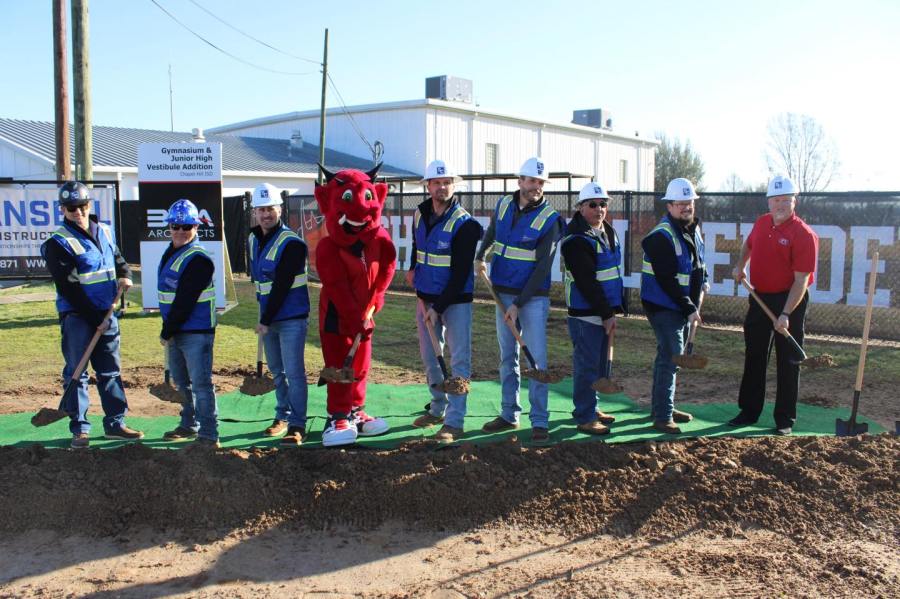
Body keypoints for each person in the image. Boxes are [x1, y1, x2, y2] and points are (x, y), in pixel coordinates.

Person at [41, 181, 144, 449]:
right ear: (63, 209)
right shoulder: (58, 243)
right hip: (77, 316)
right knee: (77, 372)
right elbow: (69, 287)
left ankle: (115, 423)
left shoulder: (106, 231)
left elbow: (119, 260)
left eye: (82, 205)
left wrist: (125, 276)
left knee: (110, 371)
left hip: (106, 312)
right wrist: (93, 317)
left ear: (90, 205)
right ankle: (80, 429)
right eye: (72, 207)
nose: (78, 211)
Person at [475, 157, 563, 444]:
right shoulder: (502, 205)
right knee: (507, 357)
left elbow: (541, 269)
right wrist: (480, 255)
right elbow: (492, 233)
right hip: (501, 291)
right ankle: (509, 414)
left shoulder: (550, 219)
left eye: (540, 182)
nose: (536, 186)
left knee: (537, 360)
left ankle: (539, 421)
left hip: (532, 298)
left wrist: (518, 303)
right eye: (532, 180)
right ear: (520, 181)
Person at [729, 175, 818, 435]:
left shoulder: (803, 234)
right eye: (776, 200)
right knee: (754, 354)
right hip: (760, 297)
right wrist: (740, 265)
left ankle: (784, 419)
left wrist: (786, 314)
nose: (780, 205)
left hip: (790, 299)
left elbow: (801, 281)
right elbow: (748, 245)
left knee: (787, 359)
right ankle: (749, 411)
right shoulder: (761, 222)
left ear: (794, 202)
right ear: (769, 202)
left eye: (785, 200)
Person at [407, 160, 483, 443]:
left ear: (453, 186)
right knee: (430, 359)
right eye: (437, 183)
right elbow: (418, 245)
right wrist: (414, 269)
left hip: (455, 302)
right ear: (428, 186)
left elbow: (461, 272)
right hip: (425, 298)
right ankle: (437, 408)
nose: (442, 187)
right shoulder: (420, 213)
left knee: (458, 360)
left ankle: (455, 421)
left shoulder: (466, 224)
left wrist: (437, 309)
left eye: (447, 182)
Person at [640, 177, 708, 434]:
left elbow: (698, 263)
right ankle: (662, 415)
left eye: (689, 202)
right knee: (672, 356)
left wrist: (704, 281)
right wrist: (690, 307)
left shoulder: (692, 229)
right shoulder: (661, 237)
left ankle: (662, 407)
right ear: (669, 206)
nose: (686, 207)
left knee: (668, 356)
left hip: (680, 304)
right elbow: (667, 280)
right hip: (662, 304)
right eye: (680, 203)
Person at [248, 183, 310, 446]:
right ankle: (282, 415)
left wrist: (265, 319)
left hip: (291, 317)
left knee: (294, 371)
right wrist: (262, 309)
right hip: (269, 315)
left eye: (270, 209)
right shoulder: (253, 239)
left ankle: (297, 424)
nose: (266, 215)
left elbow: (283, 284)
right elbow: (259, 278)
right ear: (254, 212)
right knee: (277, 370)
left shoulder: (292, 243)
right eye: (261, 209)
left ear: (280, 209)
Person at [560, 182, 624, 435]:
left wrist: (611, 310)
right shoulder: (576, 240)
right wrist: (606, 313)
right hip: (586, 313)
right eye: (593, 204)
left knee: (596, 365)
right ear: (580, 207)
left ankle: (590, 407)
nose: (600, 209)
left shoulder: (607, 232)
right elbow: (587, 282)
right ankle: (585, 416)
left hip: (602, 309)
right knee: (587, 366)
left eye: (603, 204)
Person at [157, 199, 220, 447]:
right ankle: (188, 423)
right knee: (182, 382)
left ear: (196, 227)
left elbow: (185, 300)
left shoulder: (198, 259)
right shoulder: (172, 252)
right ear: (169, 227)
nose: (181, 231)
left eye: (187, 226)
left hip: (196, 331)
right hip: (177, 330)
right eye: (176, 226)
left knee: (201, 384)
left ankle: (208, 434)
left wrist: (167, 331)